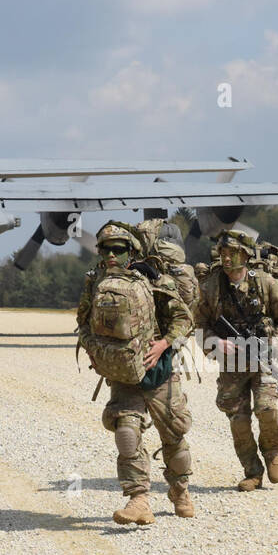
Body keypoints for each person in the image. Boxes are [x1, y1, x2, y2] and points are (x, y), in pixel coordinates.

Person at [76, 221, 194, 524]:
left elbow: (184, 319)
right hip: (123, 374)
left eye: (119, 249)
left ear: (132, 251)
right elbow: (83, 322)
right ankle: (138, 498)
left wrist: (164, 344)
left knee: (174, 434)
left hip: (160, 372)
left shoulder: (154, 279)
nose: (111, 255)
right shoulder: (95, 282)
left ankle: (180, 490)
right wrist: (96, 351)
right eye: (105, 249)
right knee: (127, 432)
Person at [194, 229, 278, 491]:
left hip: (263, 358)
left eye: (232, 253)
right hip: (232, 363)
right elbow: (200, 326)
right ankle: (252, 471)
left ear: (246, 255)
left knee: (267, 409)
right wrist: (215, 343)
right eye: (223, 253)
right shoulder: (210, 288)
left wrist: (276, 344)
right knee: (238, 420)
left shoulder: (266, 283)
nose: (226, 258)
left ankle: (272, 452)